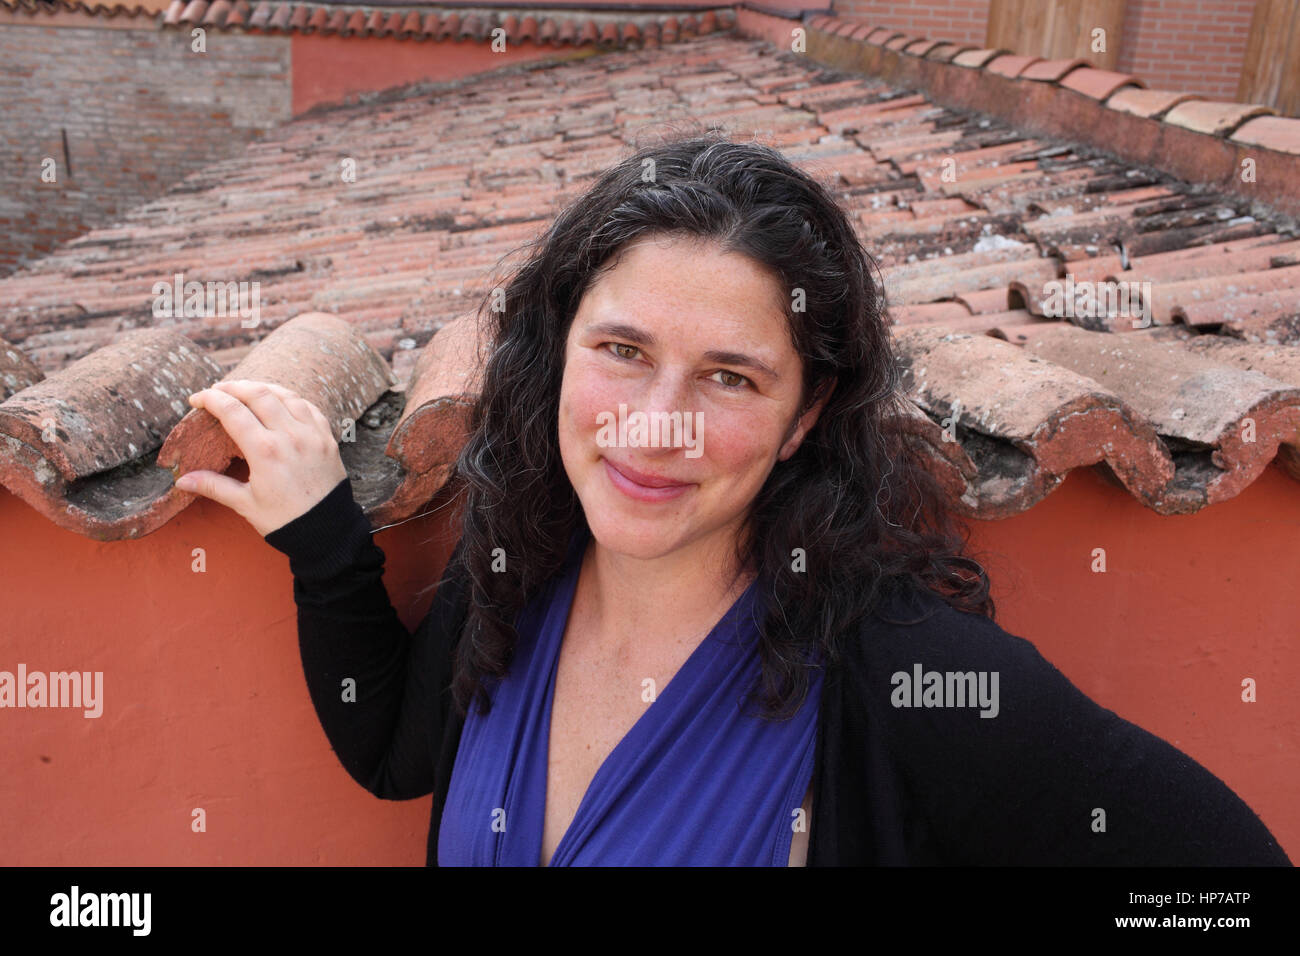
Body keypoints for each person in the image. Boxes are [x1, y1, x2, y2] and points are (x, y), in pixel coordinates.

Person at [174, 130, 1291, 866]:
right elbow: (393, 754)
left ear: (806, 414)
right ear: (556, 353)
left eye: (730, 376)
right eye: (620, 347)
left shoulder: (900, 673)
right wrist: (322, 537)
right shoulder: (517, 571)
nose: (656, 420)